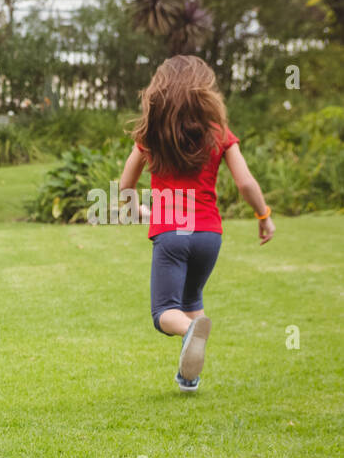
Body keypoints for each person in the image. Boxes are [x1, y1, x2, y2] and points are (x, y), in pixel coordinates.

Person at [118, 55, 275, 392]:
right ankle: (189, 378)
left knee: (164, 312)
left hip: (172, 233)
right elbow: (246, 183)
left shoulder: (151, 134)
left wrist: (136, 210)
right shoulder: (217, 133)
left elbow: (125, 187)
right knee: (191, 302)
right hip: (208, 235)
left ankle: (190, 330)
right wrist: (263, 216)